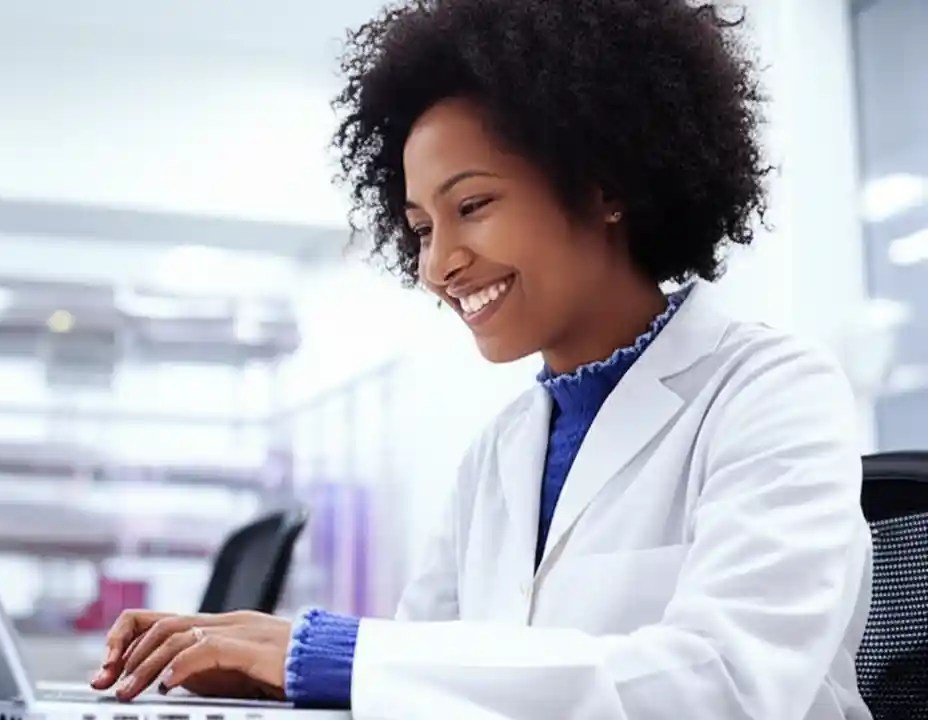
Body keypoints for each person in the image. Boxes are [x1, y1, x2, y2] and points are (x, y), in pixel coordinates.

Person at [91, 0, 873, 717]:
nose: (438, 265)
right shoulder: (500, 452)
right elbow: (416, 672)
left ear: (604, 185)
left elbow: (723, 686)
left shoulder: (773, 394)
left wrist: (332, 655)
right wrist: (271, 672)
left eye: (471, 206)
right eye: (422, 228)